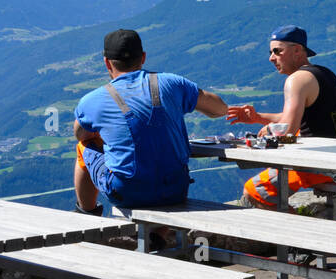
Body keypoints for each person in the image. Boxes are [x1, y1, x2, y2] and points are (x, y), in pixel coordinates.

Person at [73, 29, 228, 216]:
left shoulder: (92, 100)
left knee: (84, 146)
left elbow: (80, 134)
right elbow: (220, 109)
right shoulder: (173, 83)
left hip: (126, 193)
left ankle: (87, 213)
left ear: (107, 62)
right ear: (143, 57)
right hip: (176, 190)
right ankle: (159, 237)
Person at [225, 25, 336, 211]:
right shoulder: (324, 73)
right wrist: (258, 117)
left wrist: (267, 130)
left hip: (319, 164)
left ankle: (303, 235)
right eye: (271, 52)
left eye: (278, 51)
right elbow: (294, 118)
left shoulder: (296, 80)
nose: (271, 57)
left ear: (297, 50)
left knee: (255, 191)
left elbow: (288, 130)